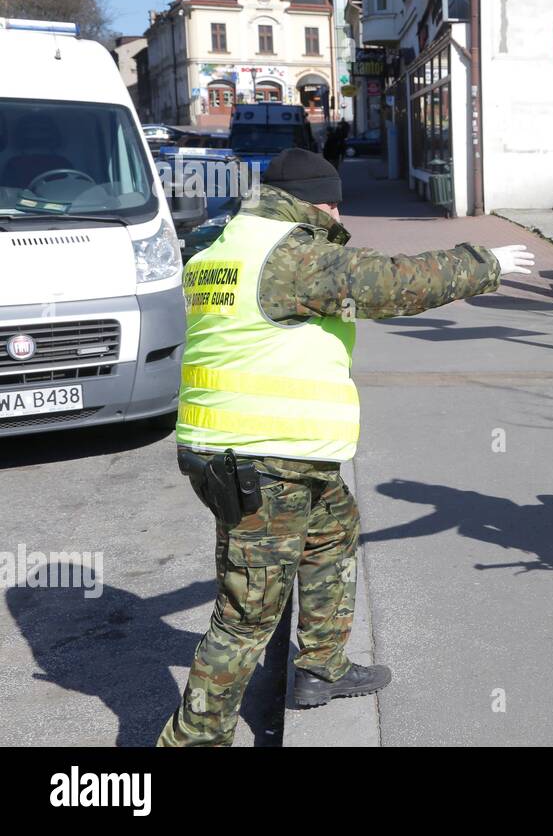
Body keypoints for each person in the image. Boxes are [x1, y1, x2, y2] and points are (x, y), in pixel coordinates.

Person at [157, 148, 533, 746]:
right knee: (247, 613)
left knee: (334, 528)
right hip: (262, 456)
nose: (338, 211)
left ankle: (319, 666)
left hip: (249, 449)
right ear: (318, 201)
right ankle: (193, 741)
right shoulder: (292, 253)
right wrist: (483, 263)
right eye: (333, 202)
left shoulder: (225, 245)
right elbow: (391, 284)